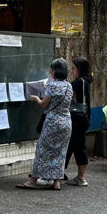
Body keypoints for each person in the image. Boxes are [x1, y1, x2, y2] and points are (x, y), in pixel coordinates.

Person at [18, 58, 73, 190]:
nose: (50, 71)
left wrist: (36, 98)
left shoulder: (52, 85)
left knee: (42, 150)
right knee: (60, 152)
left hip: (52, 122)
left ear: (54, 71)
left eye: (51, 69)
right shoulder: (68, 86)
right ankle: (56, 182)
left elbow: (44, 104)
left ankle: (33, 180)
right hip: (66, 122)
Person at [65, 57, 92, 186]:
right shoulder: (86, 82)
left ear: (79, 69)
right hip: (84, 118)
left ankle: (80, 178)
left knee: (76, 146)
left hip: (76, 119)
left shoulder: (77, 83)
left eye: (74, 68)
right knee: (75, 145)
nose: (72, 70)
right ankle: (74, 176)